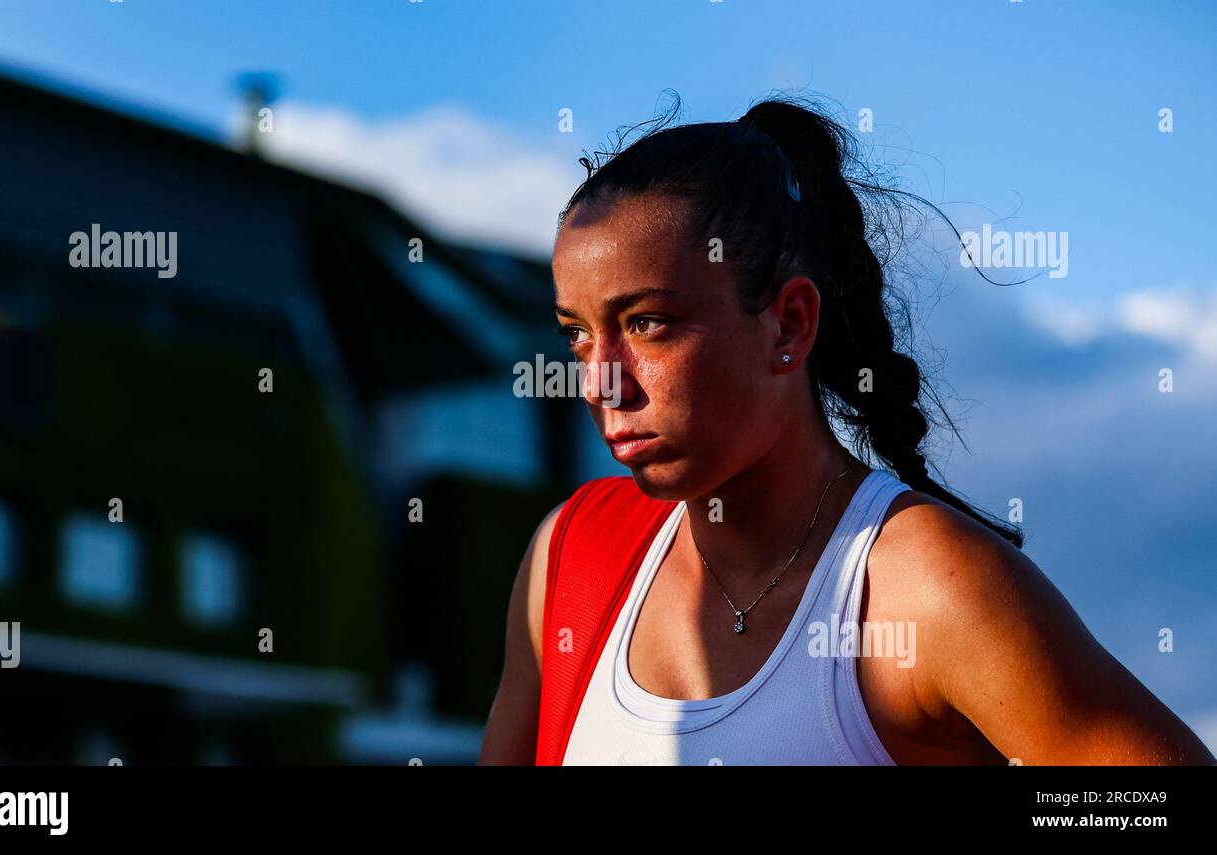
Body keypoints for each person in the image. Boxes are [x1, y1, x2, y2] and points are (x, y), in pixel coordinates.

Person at [477, 96, 1214, 765]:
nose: (602, 380)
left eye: (648, 324)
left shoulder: (926, 587)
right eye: (577, 335)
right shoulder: (571, 557)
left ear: (789, 324)